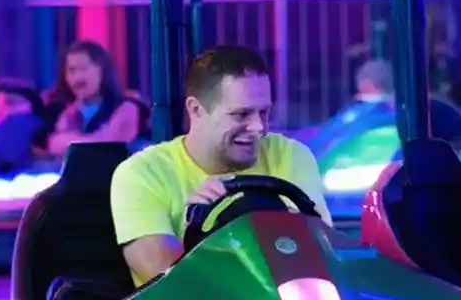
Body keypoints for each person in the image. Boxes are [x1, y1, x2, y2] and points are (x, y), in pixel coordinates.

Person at [110, 45, 332, 286]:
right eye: (241, 114)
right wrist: (192, 228)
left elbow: (320, 251)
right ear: (196, 110)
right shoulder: (142, 175)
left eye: (264, 112)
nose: (258, 127)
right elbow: (165, 282)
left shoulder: (289, 155)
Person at [42, 40, 140, 156]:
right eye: (71, 70)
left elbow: (107, 148)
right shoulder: (67, 115)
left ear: (102, 70)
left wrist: (67, 141)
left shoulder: (126, 109)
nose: (77, 78)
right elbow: (54, 146)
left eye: (83, 69)